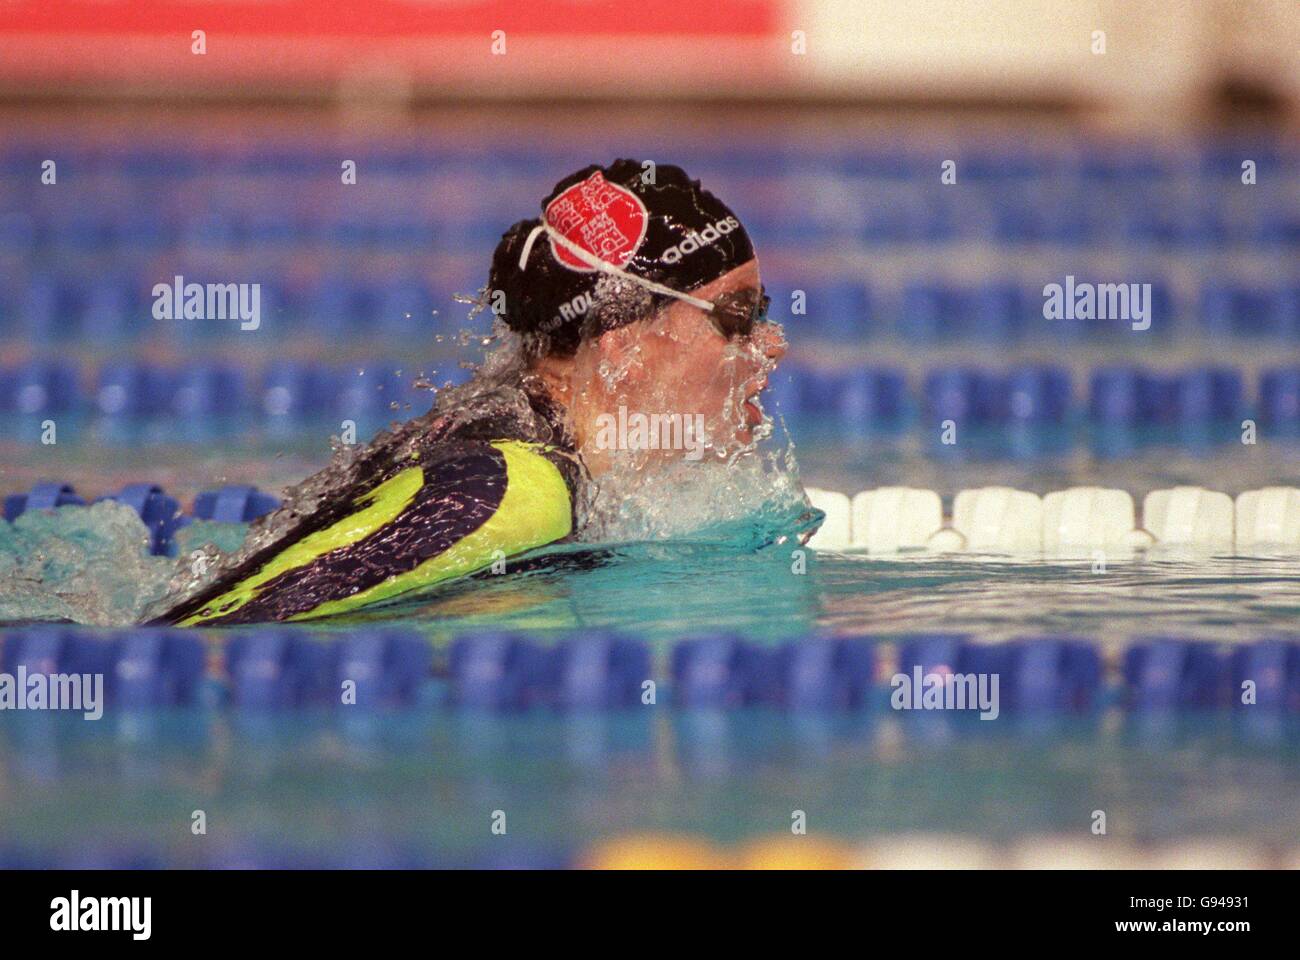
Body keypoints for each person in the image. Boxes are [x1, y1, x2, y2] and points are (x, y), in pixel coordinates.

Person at [147, 160, 786, 626]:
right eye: (737, 314)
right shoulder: (516, 491)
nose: (773, 342)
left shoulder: (531, 445)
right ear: (622, 340)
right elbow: (209, 634)